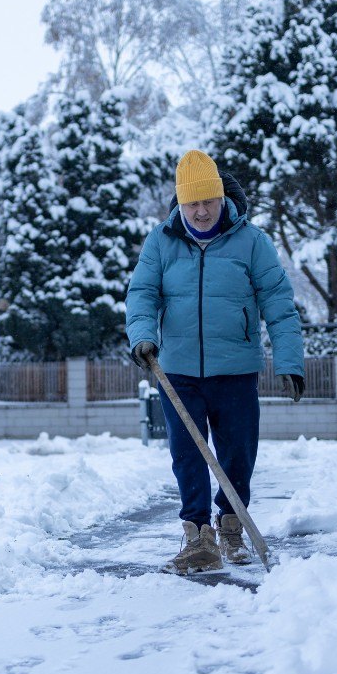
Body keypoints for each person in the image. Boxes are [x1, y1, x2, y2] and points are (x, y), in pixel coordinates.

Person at [125, 149, 305, 575]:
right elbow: (142, 294)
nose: (201, 211)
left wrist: (290, 361)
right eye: (192, 203)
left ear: (222, 198)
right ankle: (198, 535)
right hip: (177, 370)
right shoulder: (161, 241)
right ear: (180, 202)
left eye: (208, 201)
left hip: (236, 368)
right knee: (187, 453)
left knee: (237, 453)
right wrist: (143, 336)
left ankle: (231, 525)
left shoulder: (252, 242)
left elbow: (279, 303)